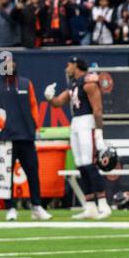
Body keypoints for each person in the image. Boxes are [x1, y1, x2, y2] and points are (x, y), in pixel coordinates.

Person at [0, 54, 51, 221]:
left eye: (12, 62)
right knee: (6, 176)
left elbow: (34, 105)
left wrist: (35, 123)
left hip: (26, 137)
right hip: (6, 138)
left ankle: (37, 206)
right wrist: (3, 125)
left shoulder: (25, 83)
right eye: (6, 63)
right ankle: (10, 208)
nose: (10, 65)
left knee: (33, 172)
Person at [45, 56, 111, 219]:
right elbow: (59, 102)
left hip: (87, 122)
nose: (66, 67)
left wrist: (99, 132)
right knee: (81, 165)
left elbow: (97, 108)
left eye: (69, 64)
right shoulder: (73, 83)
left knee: (90, 164)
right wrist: (49, 98)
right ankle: (90, 206)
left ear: (76, 65)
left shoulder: (89, 81)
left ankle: (103, 204)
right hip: (76, 123)